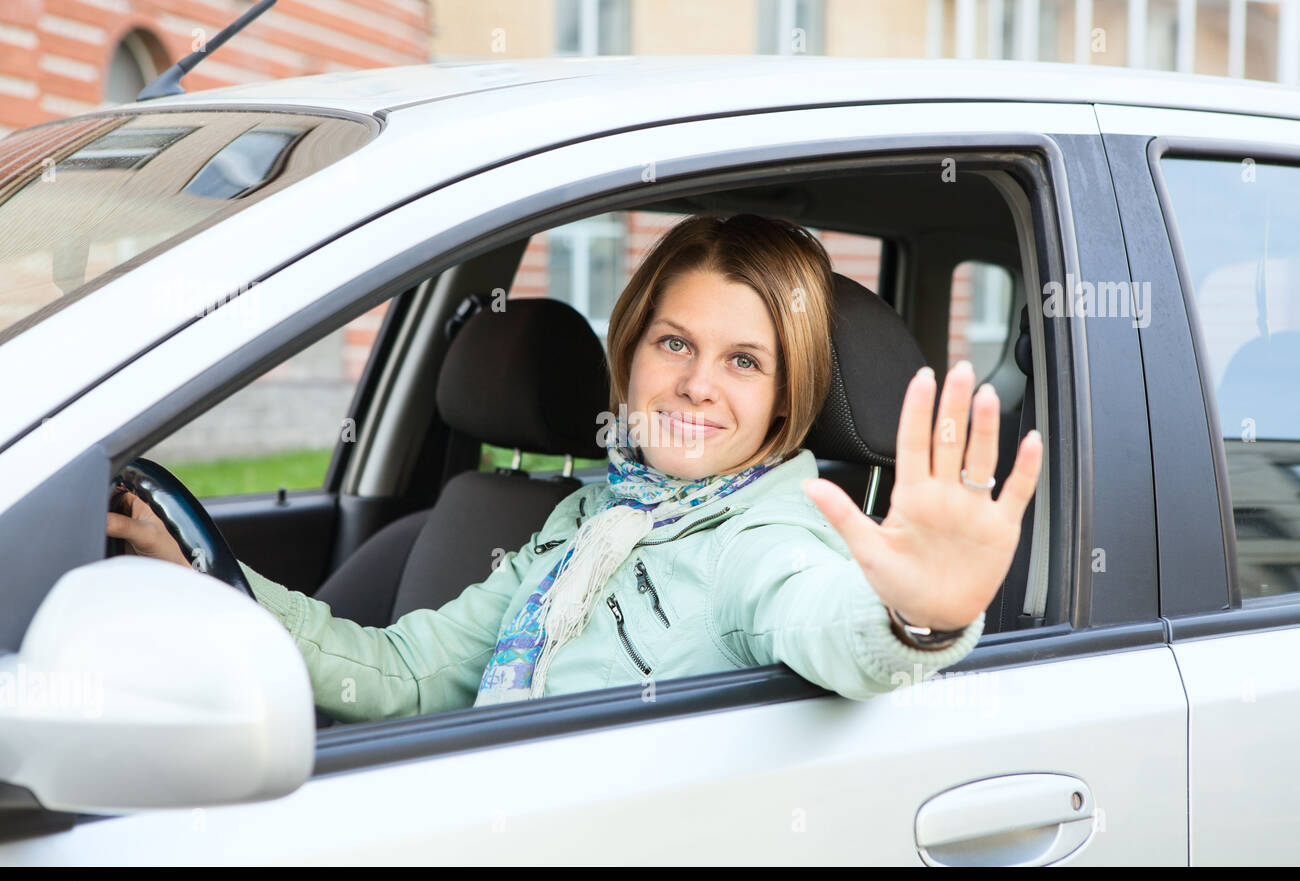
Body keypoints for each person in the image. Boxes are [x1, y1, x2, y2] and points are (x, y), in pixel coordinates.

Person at [107, 213, 1042, 722]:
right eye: (673, 342)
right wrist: (210, 581)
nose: (696, 386)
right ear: (629, 354)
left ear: (785, 395)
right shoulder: (590, 521)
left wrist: (921, 613)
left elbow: (833, 628)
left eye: (744, 360)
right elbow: (405, 673)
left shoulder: (769, 539)